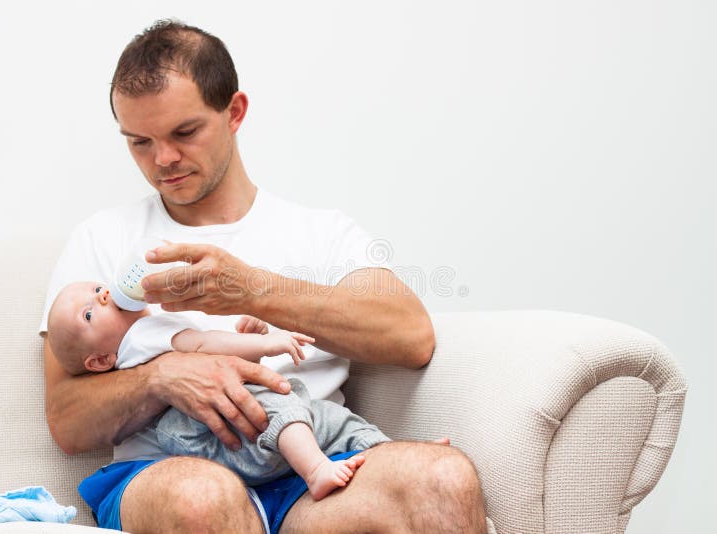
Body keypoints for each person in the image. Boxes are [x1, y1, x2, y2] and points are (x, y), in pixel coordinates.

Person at [40, 19, 488, 534]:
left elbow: (410, 337)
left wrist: (251, 290)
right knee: (201, 499)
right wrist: (163, 376)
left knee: (443, 477)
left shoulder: (320, 232)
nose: (162, 159)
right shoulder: (101, 239)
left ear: (234, 112)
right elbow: (67, 420)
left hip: (311, 464)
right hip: (170, 468)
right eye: (139, 141)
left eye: (184, 133)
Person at [47, 281, 390, 499]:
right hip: (211, 430)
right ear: (101, 360)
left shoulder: (141, 345)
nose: (103, 296)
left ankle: (387, 454)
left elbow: (220, 360)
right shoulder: (142, 335)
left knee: (327, 418)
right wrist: (267, 342)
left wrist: (249, 341)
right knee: (292, 412)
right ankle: (316, 470)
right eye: (89, 314)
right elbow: (205, 345)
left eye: (98, 289)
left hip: (223, 439)